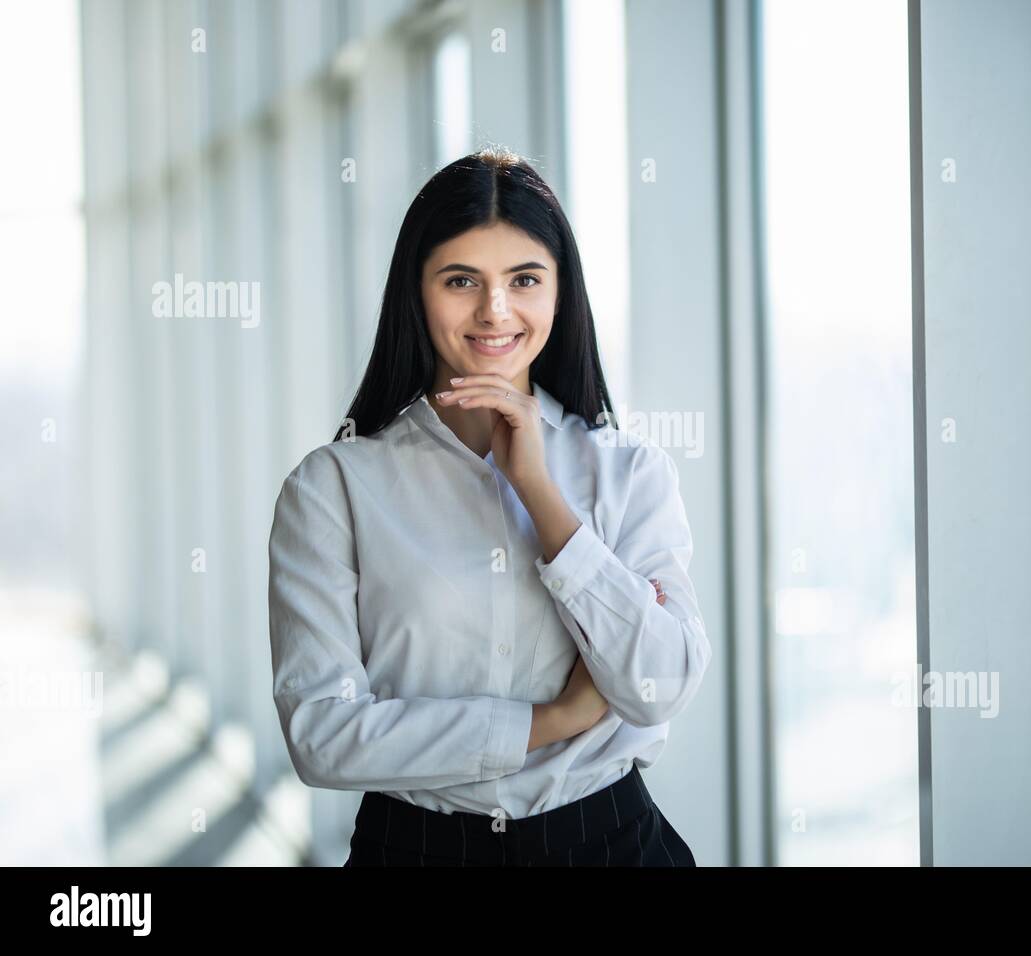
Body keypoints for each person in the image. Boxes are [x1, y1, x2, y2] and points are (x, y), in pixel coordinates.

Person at [266, 145, 711, 866]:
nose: (494, 310)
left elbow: (658, 684)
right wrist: (552, 720)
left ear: (560, 293)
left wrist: (540, 492)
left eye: (524, 279)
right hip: (413, 852)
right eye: (461, 279)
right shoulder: (333, 490)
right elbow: (323, 738)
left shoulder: (631, 473)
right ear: (417, 292)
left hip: (612, 845)